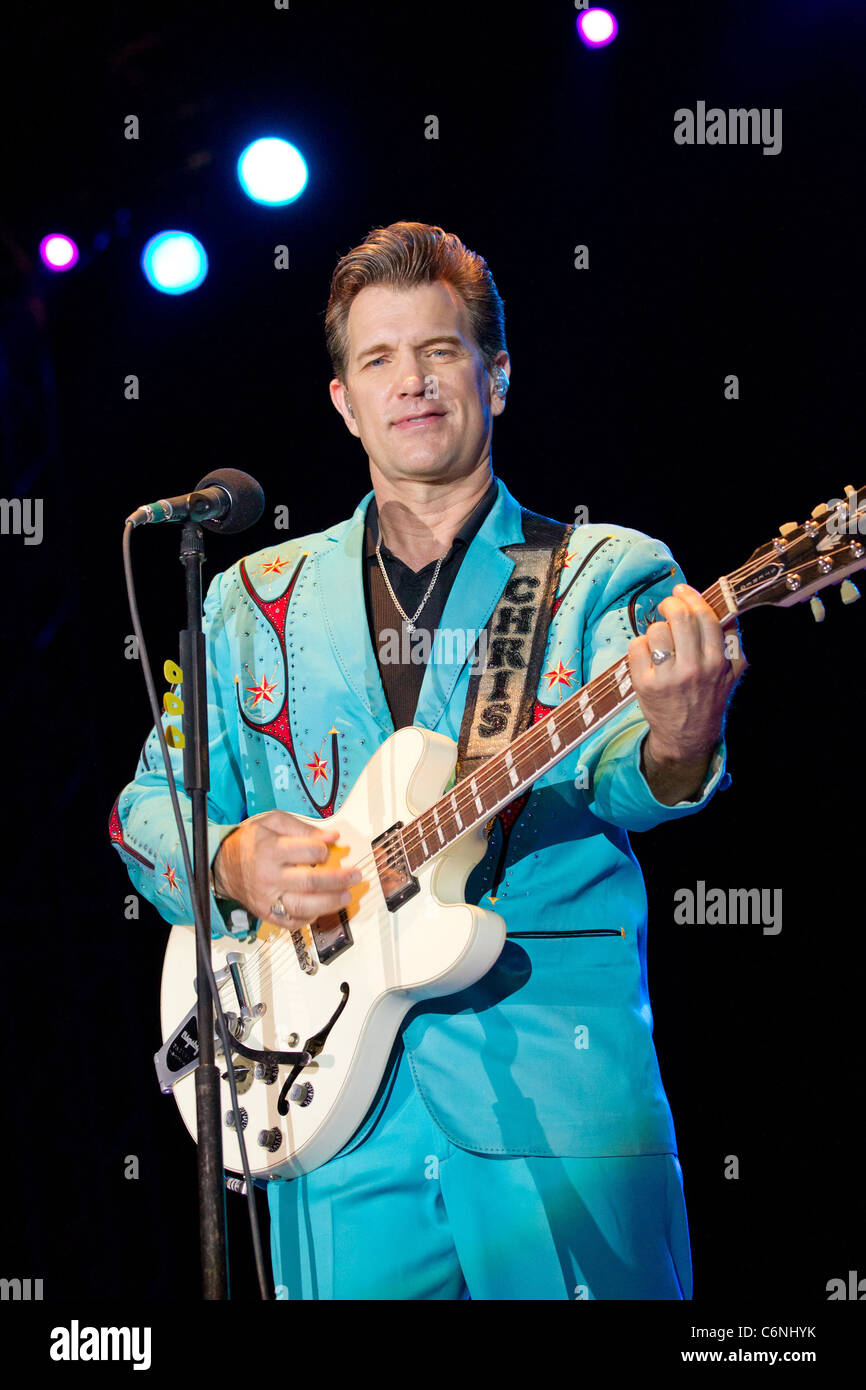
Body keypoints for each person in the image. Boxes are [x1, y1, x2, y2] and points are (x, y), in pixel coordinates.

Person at [110, 221, 746, 1300]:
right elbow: (144, 808)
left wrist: (684, 731)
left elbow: (634, 774)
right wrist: (229, 860)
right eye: (377, 359)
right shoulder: (249, 598)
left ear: (495, 377)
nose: (410, 382)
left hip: (555, 1107)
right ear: (343, 401)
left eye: (440, 351)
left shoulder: (600, 569)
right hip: (328, 1112)